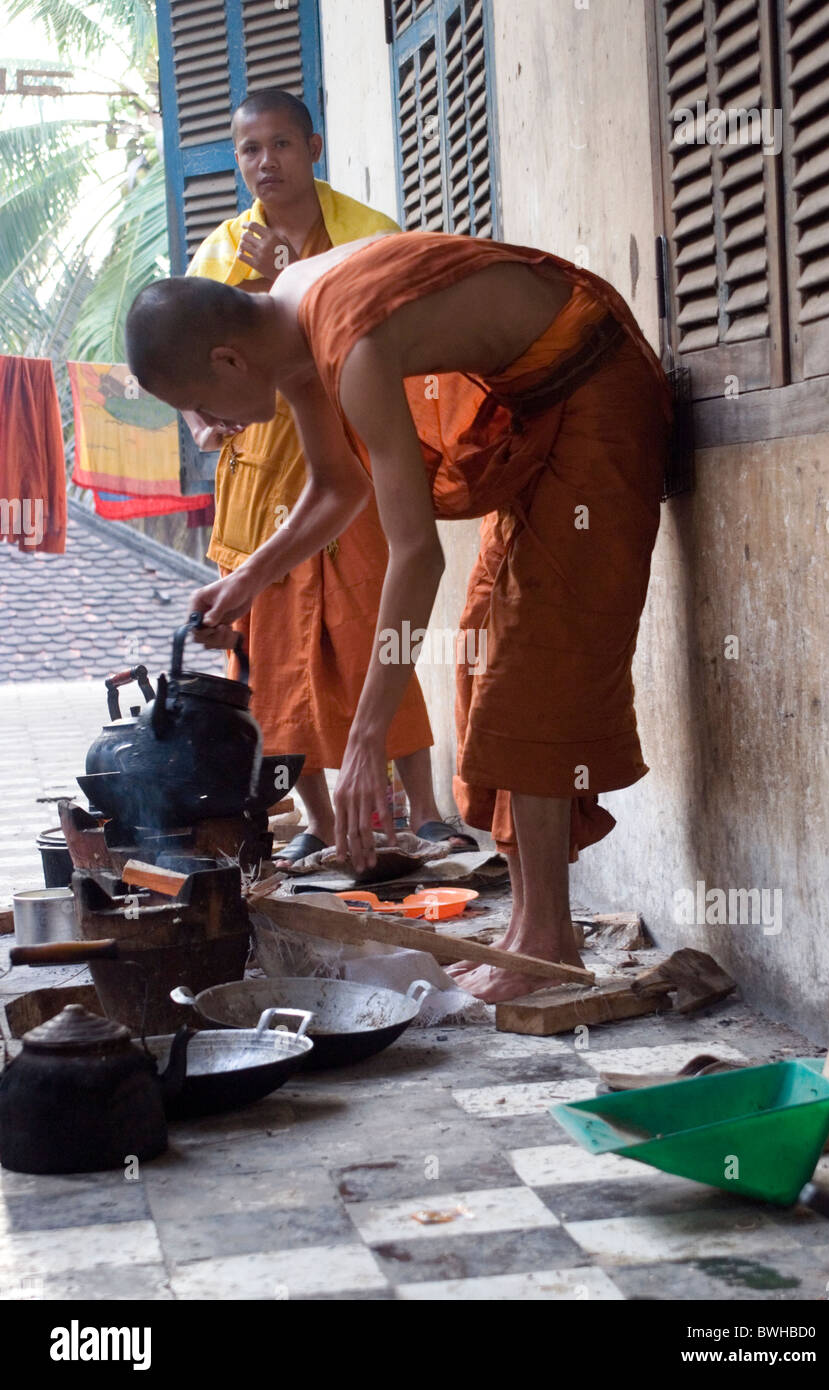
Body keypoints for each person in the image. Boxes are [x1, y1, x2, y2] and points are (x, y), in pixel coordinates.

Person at [125, 230, 673, 1001]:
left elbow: (418, 556)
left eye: (202, 407)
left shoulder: (348, 346)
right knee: (486, 649)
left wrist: (366, 735)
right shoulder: (290, 333)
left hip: (594, 384)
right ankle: (527, 929)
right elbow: (335, 487)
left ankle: (550, 936)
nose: (214, 427)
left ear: (227, 361)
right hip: (529, 409)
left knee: (534, 664)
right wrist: (246, 581)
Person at [181, 88, 472, 860]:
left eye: (280, 144)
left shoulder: (368, 235)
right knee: (269, 656)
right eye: (249, 149)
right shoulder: (217, 255)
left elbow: (395, 347)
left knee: (375, 620)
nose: (264, 162)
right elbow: (194, 370)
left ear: (313, 150)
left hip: (354, 453)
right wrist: (204, 420)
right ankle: (317, 820)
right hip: (260, 472)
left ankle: (425, 808)